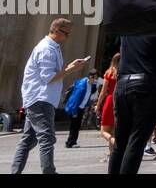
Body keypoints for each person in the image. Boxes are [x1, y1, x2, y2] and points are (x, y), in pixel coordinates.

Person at [9, 18, 89, 174]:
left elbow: (50, 75)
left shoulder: (52, 47)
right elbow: (48, 78)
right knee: (47, 138)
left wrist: (69, 67)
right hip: (41, 99)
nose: (67, 37)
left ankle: (15, 172)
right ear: (56, 30)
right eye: (66, 33)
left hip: (39, 99)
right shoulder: (47, 49)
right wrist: (71, 70)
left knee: (28, 141)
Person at [108, 36, 156, 175]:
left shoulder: (129, 27)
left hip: (123, 83)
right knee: (136, 142)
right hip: (146, 84)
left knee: (120, 143)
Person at [96, 53, 120, 161]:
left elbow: (103, 91)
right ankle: (112, 155)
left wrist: (98, 104)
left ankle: (116, 143)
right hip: (119, 101)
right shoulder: (123, 73)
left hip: (110, 101)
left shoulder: (109, 73)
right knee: (114, 129)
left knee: (104, 131)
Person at [63, 72, 92, 149]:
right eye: (95, 78)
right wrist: (74, 111)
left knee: (76, 125)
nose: (95, 80)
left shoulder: (89, 84)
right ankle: (70, 143)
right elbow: (76, 99)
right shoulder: (82, 85)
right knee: (74, 125)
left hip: (80, 108)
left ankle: (73, 142)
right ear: (91, 77)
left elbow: (86, 97)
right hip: (76, 108)